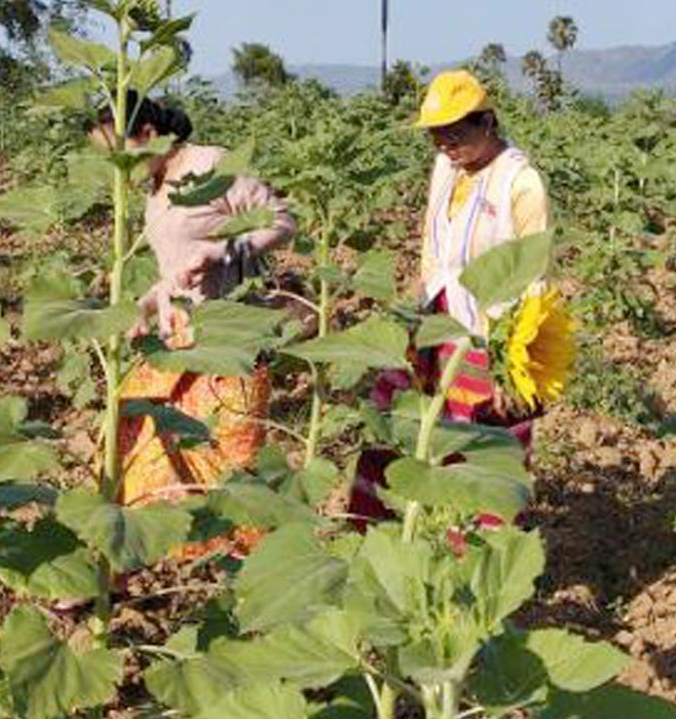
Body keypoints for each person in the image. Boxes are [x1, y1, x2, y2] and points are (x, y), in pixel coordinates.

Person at [347, 69, 551, 525]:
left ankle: (474, 560)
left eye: (456, 133)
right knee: (395, 426)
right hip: (435, 320)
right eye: (437, 136)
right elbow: (432, 250)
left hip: (488, 336)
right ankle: (381, 538)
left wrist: (511, 366)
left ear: (488, 122)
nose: (446, 145)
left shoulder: (520, 183)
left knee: (482, 451)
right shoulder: (446, 167)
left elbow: (533, 277)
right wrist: (406, 312)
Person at [89, 92, 297, 522]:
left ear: (147, 134)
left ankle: (244, 576)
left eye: (117, 153)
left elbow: (281, 221)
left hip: (229, 340)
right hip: (177, 339)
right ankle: (116, 566)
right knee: (131, 442)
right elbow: (177, 269)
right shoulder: (155, 184)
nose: (114, 166)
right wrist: (143, 307)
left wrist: (221, 252)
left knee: (230, 471)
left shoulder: (209, 165)